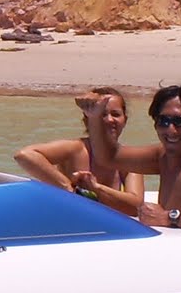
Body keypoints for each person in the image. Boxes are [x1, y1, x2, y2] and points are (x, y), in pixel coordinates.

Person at [73, 84, 181, 231]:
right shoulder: (164, 155)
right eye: (164, 121)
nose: (171, 130)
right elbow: (110, 158)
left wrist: (168, 217)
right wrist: (94, 116)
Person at [15, 87, 145, 216]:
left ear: (125, 120)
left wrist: (96, 189)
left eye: (115, 114)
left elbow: (136, 208)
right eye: (102, 114)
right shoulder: (76, 149)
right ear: (87, 120)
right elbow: (25, 155)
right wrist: (68, 188)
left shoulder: (129, 159)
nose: (110, 119)